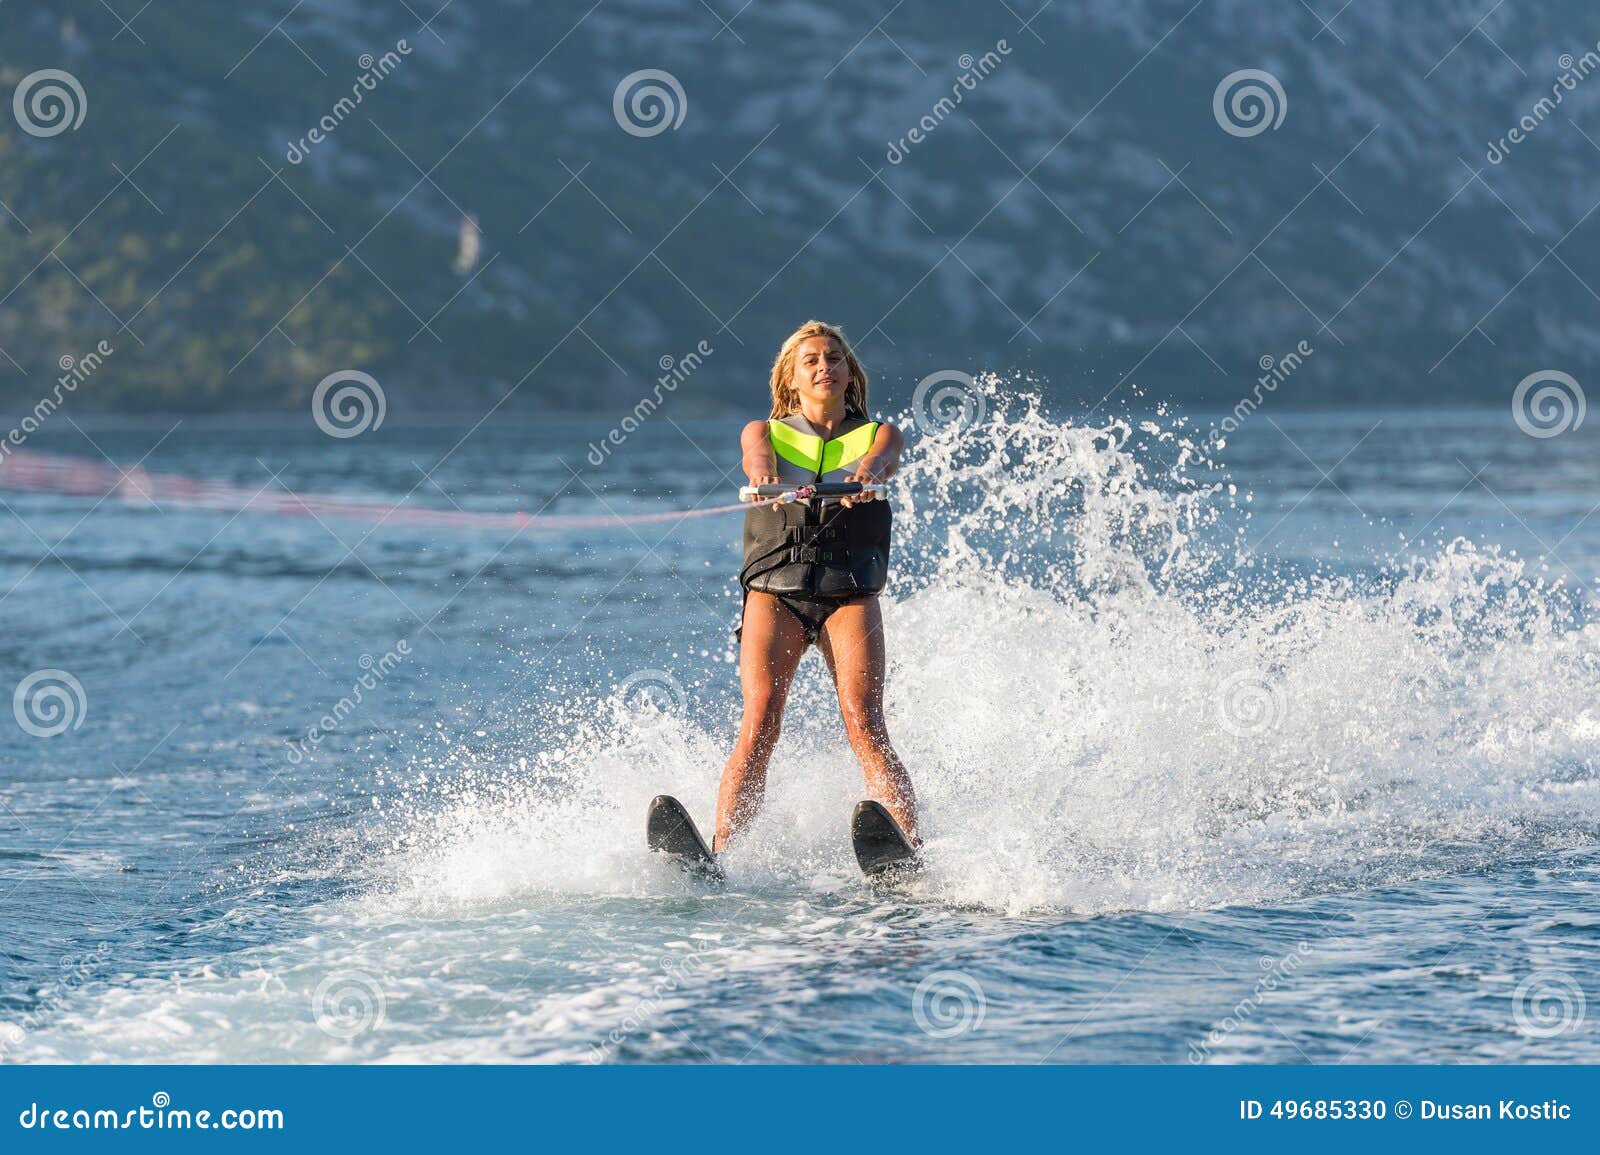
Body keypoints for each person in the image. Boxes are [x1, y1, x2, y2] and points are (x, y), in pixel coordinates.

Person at [714, 320, 919, 853]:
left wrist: (865, 476)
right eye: (811, 361)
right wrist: (763, 481)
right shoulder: (762, 432)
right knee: (759, 722)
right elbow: (755, 460)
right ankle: (723, 850)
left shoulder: (880, 435)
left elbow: (883, 460)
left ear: (849, 373)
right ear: (791, 380)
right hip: (776, 592)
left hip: (847, 592)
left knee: (865, 724)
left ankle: (909, 853)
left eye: (833, 358)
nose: (824, 366)